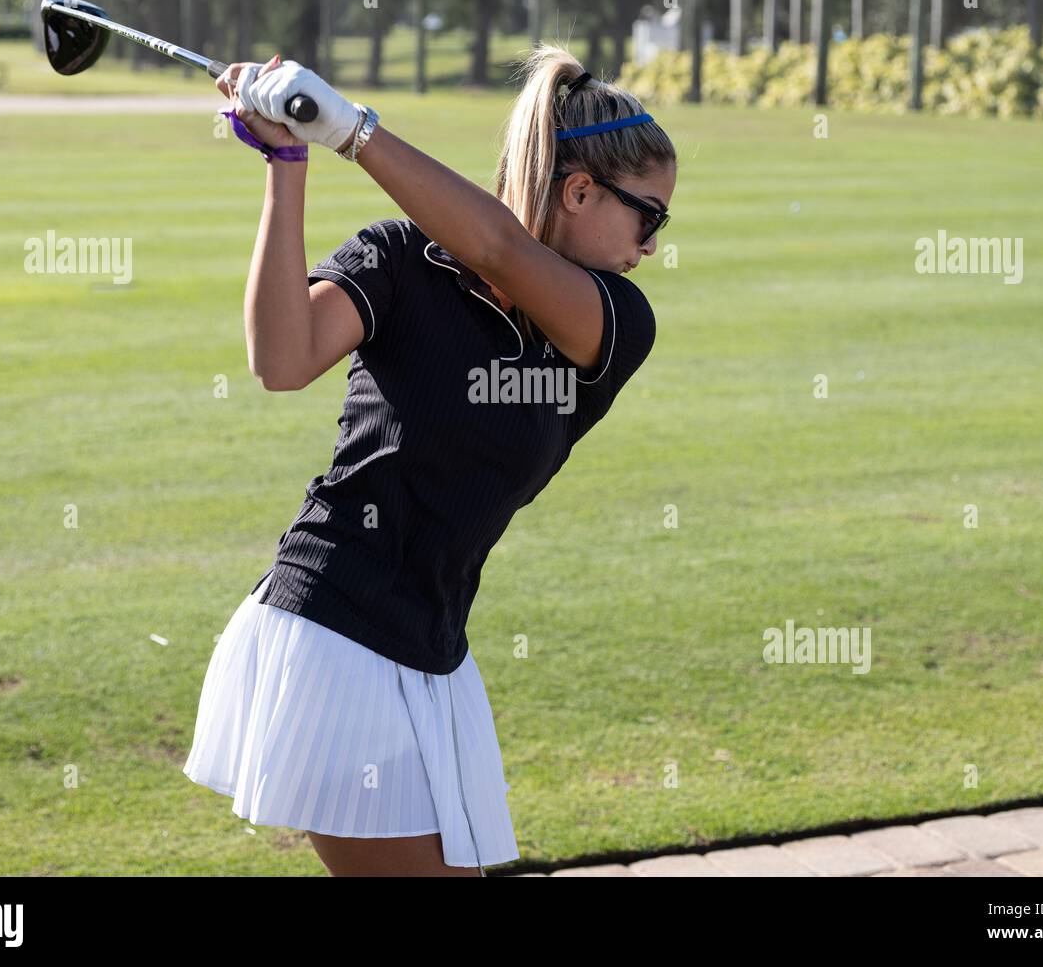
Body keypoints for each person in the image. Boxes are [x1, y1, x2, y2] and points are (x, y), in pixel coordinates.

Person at [181, 45, 677, 877]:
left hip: (436, 652)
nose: (653, 245)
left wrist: (354, 130)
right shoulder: (401, 261)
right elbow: (281, 359)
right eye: (649, 216)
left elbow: (501, 252)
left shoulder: (615, 322)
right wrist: (291, 162)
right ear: (582, 190)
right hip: (333, 630)